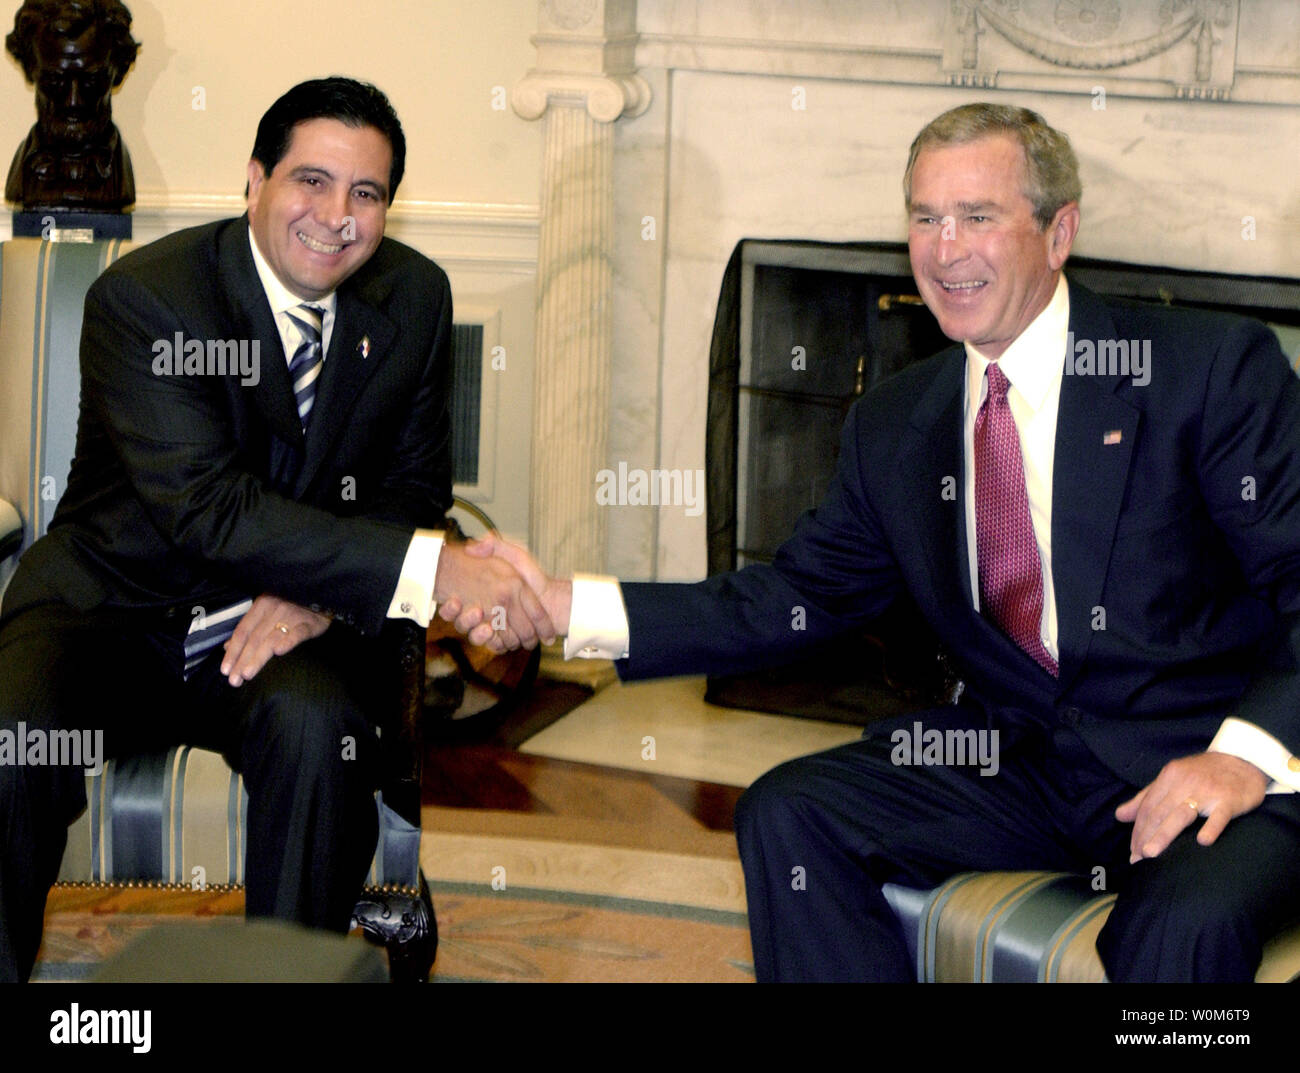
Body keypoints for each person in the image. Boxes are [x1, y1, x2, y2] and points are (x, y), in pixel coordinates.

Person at [451, 103, 1300, 982]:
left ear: (1059, 233)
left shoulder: (1205, 370)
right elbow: (790, 600)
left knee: (1180, 929)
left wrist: (1241, 756)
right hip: (1027, 763)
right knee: (794, 814)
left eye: (979, 216)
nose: (944, 247)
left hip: (1216, 758)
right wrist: (562, 606)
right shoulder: (899, 423)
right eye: (925, 218)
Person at [0, 76, 553, 983]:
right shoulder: (153, 301)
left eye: (366, 193)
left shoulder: (412, 299)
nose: (337, 216)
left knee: (316, 726)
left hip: (284, 621)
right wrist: (436, 573)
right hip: (110, 606)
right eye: (311, 181)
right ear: (253, 180)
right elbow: (206, 509)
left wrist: (314, 596)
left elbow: (411, 489)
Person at [4, 0, 141, 210]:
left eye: (91, 81)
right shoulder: (22, 178)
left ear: (119, 70)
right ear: (29, 67)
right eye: (55, 81)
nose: (73, 102)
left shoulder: (119, 178)